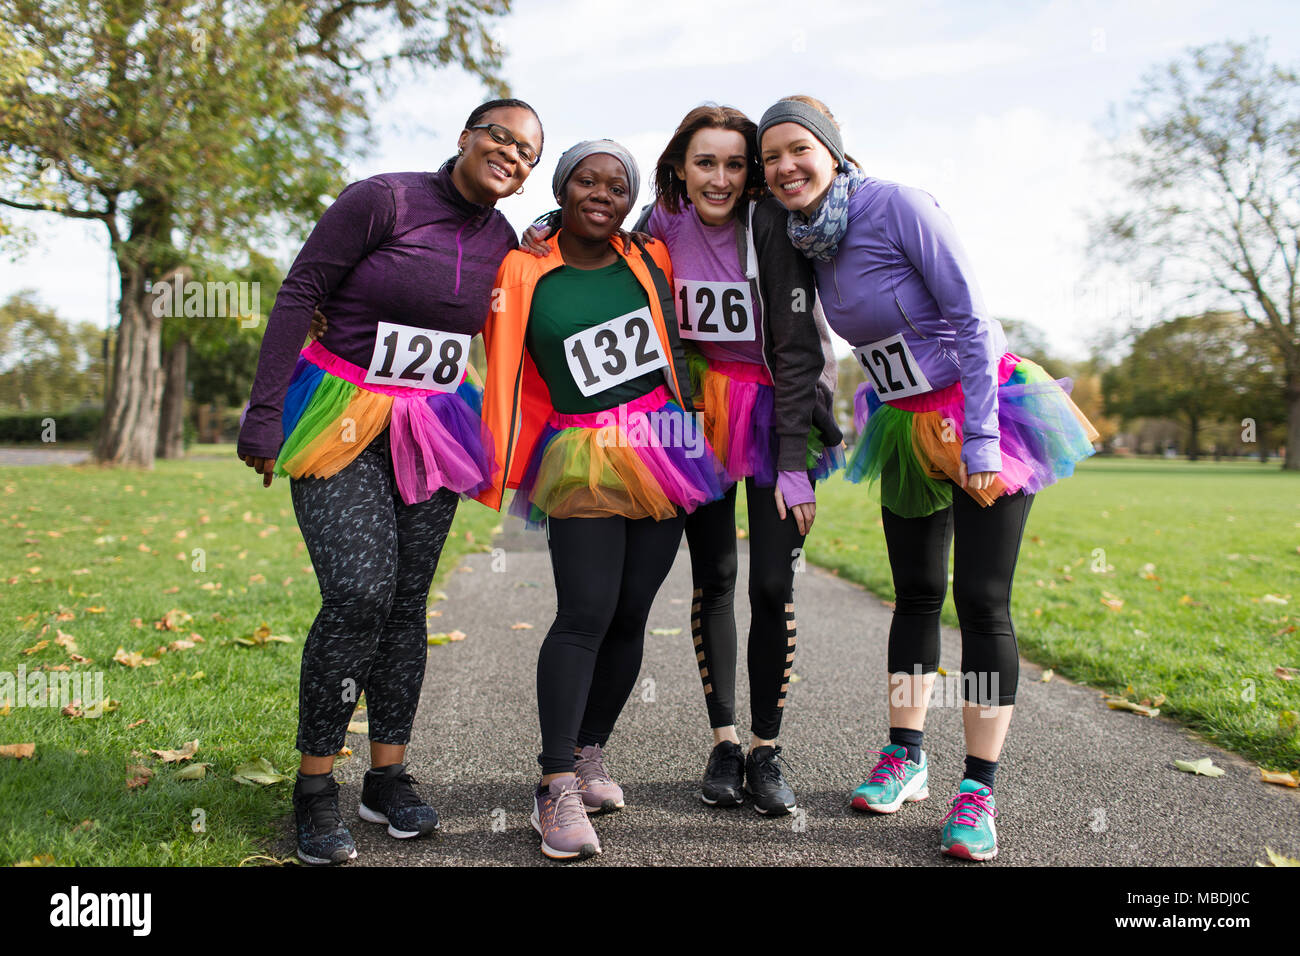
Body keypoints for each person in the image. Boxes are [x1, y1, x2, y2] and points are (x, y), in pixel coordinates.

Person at [758, 95, 1099, 860]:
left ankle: (978, 789)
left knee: (981, 600)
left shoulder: (898, 206)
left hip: (986, 413)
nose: (784, 167)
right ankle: (905, 757)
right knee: (915, 592)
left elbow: (974, 318)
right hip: (906, 423)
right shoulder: (805, 235)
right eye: (769, 157)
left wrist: (981, 437)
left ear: (834, 151)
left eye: (797, 150)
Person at [236, 98, 544, 865]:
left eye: (529, 152)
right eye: (500, 136)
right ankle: (313, 789)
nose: (511, 154)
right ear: (467, 136)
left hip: (431, 426)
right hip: (338, 412)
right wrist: (263, 412)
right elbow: (301, 291)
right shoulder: (383, 198)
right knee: (359, 594)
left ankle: (387, 777)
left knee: (406, 602)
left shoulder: (503, 237)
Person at [528, 106, 843, 814]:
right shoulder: (663, 222)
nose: (722, 178)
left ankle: (767, 748)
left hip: (775, 413)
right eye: (707, 163)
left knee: (771, 584)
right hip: (692, 417)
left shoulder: (772, 225)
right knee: (715, 578)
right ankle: (725, 742)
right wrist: (551, 224)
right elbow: (602, 230)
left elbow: (797, 350)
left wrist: (793, 460)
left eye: (737, 164)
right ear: (679, 168)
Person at [478, 139, 724, 860]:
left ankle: (589, 753)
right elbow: (472, 318)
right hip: (581, 453)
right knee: (584, 612)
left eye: (617, 186)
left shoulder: (649, 257)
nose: (602, 194)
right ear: (560, 189)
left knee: (629, 615)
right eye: (586, 180)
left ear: (629, 200)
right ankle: (553, 785)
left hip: (664, 448)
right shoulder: (523, 267)